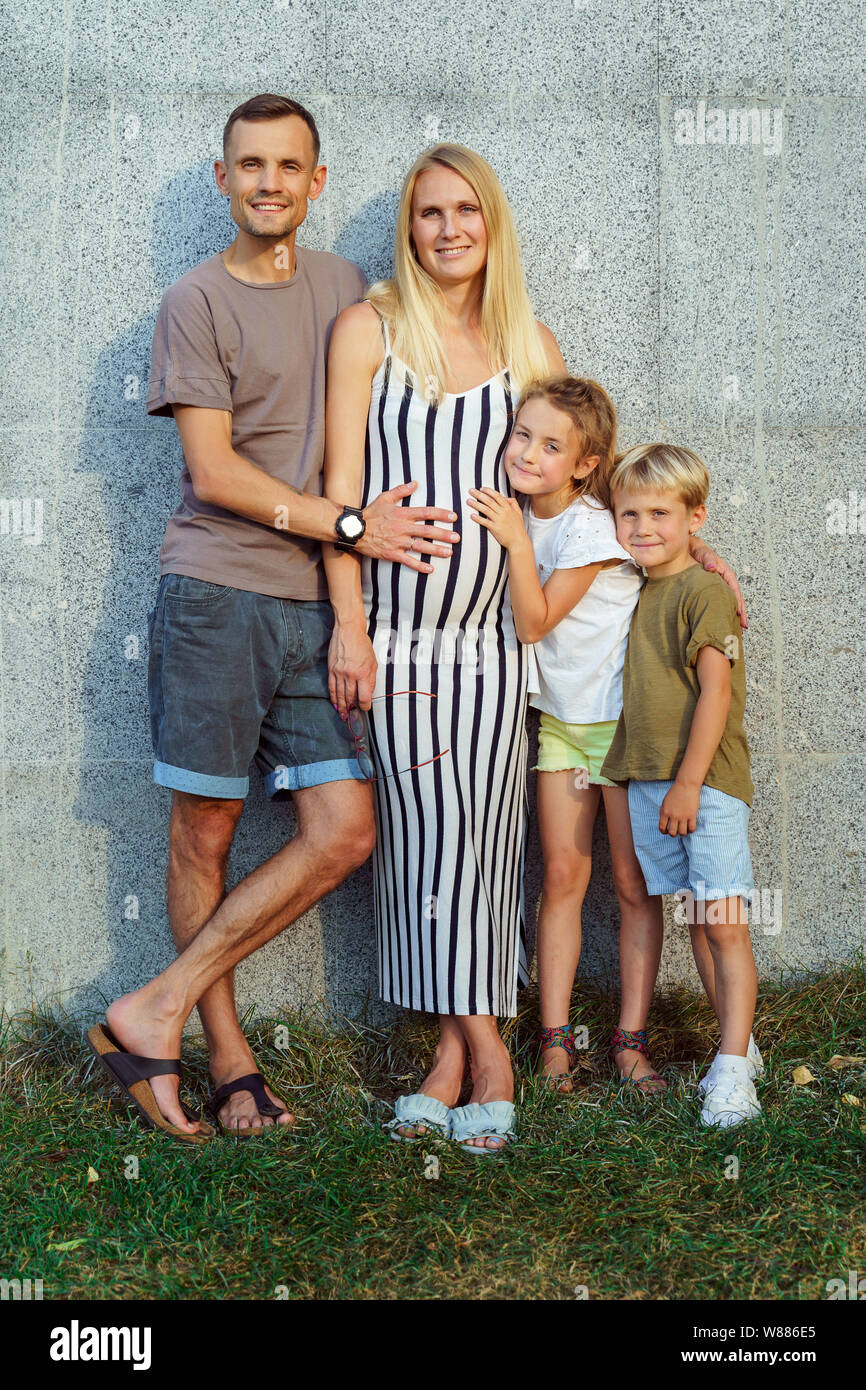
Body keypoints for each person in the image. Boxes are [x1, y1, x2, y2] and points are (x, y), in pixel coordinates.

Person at [87, 95, 460, 1143]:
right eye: (248, 164)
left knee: (343, 831)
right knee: (204, 826)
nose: (267, 182)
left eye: (287, 166)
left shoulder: (351, 291)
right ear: (222, 178)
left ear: (315, 183)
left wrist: (636, 538)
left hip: (322, 608)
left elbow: (483, 383)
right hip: (217, 596)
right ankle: (229, 1060)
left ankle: (148, 1008)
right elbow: (210, 471)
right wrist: (346, 521)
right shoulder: (192, 301)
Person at [324, 143, 565, 1154]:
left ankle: (449, 1062)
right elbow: (340, 492)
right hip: (405, 643)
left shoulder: (529, 343)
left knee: (485, 845)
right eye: (428, 213)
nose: (448, 229)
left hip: (497, 645)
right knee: (427, 844)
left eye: (465, 210)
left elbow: (571, 486)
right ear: (408, 229)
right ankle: (483, 1048)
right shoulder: (368, 329)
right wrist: (348, 622)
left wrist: (682, 547)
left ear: (490, 222)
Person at [467, 377, 745, 1097]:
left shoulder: (592, 530)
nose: (528, 452)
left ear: (584, 463)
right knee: (561, 875)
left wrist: (705, 552)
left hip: (621, 732)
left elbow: (536, 621)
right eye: (522, 435)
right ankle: (556, 1039)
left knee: (631, 885)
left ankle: (629, 1041)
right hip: (560, 724)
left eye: (551, 444)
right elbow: (650, 531)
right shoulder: (531, 512)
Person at [601, 443, 763, 1127]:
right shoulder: (640, 586)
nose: (642, 527)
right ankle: (741, 1046)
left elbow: (716, 693)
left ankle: (732, 1076)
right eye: (628, 513)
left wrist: (689, 785)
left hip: (701, 784)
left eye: (660, 513)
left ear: (695, 517)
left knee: (723, 923)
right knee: (698, 917)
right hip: (647, 779)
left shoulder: (703, 590)